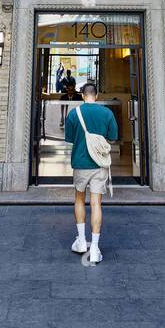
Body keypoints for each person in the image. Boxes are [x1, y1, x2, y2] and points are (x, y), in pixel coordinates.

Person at [65, 81, 118, 265]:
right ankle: (94, 249)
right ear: (97, 95)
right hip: (99, 164)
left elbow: (70, 139)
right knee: (96, 203)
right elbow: (113, 138)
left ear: (82, 95)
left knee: (79, 199)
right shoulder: (107, 113)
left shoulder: (74, 114)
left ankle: (81, 241)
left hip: (80, 163)